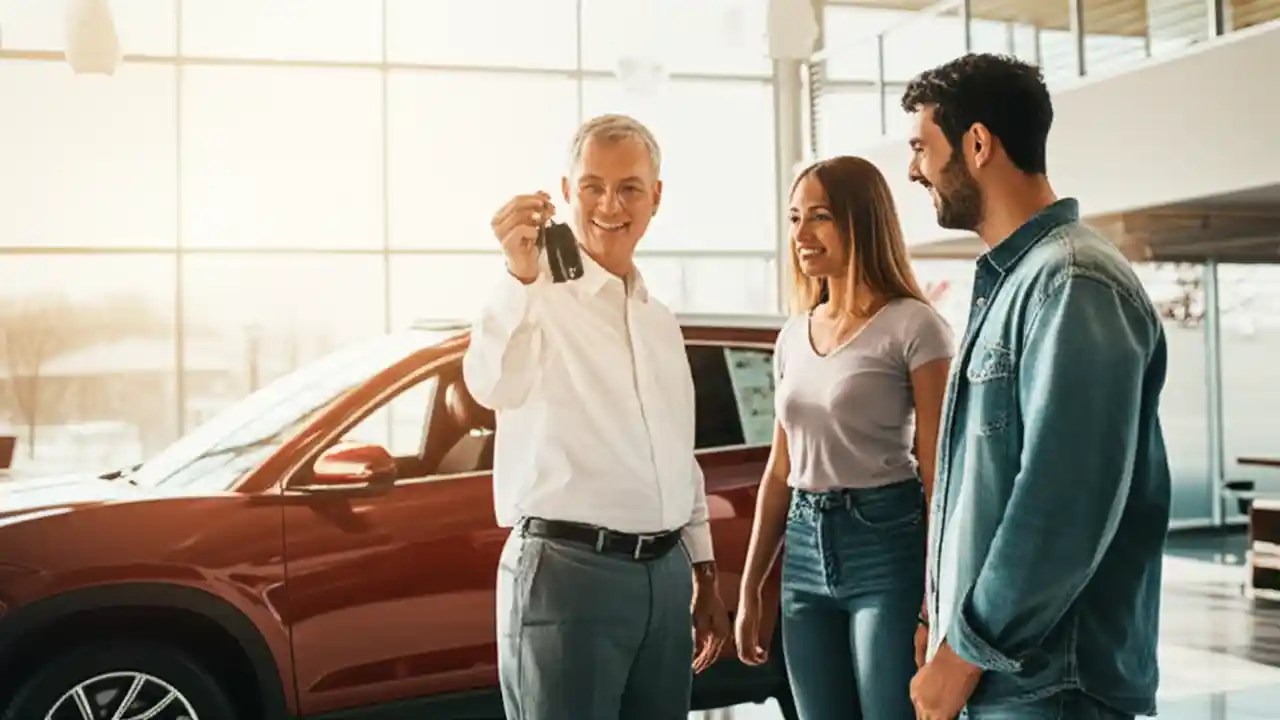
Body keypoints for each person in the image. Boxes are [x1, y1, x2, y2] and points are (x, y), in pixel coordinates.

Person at [901, 54, 1172, 720]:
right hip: (1013, 679)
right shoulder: (1022, 282)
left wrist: (963, 653)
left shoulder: (1073, 282)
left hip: (1050, 684)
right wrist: (944, 622)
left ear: (978, 144)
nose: (914, 170)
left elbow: (1063, 501)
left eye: (921, 147)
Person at [462, 113, 730, 720]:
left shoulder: (658, 320)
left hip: (665, 580)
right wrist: (517, 277)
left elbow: (675, 452)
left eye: (629, 187)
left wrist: (704, 571)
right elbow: (488, 383)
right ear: (565, 191)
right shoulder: (534, 293)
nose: (610, 204)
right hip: (567, 576)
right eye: (592, 187)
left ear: (655, 197)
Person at [733, 155, 954, 720]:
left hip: (887, 542)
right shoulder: (791, 336)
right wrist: (752, 586)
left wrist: (935, 600)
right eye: (793, 218)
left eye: (820, 217)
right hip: (804, 550)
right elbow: (780, 473)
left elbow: (939, 476)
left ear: (861, 221)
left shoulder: (914, 326)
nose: (801, 235)